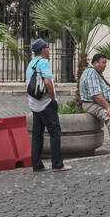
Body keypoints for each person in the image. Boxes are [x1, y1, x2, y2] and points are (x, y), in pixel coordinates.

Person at [26, 38, 69, 172]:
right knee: (55, 132)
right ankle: (57, 164)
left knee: (37, 135)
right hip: (46, 104)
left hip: (34, 104)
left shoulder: (31, 63)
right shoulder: (43, 62)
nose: (49, 50)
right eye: (47, 47)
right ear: (43, 49)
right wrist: (53, 99)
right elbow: (48, 82)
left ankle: (37, 164)